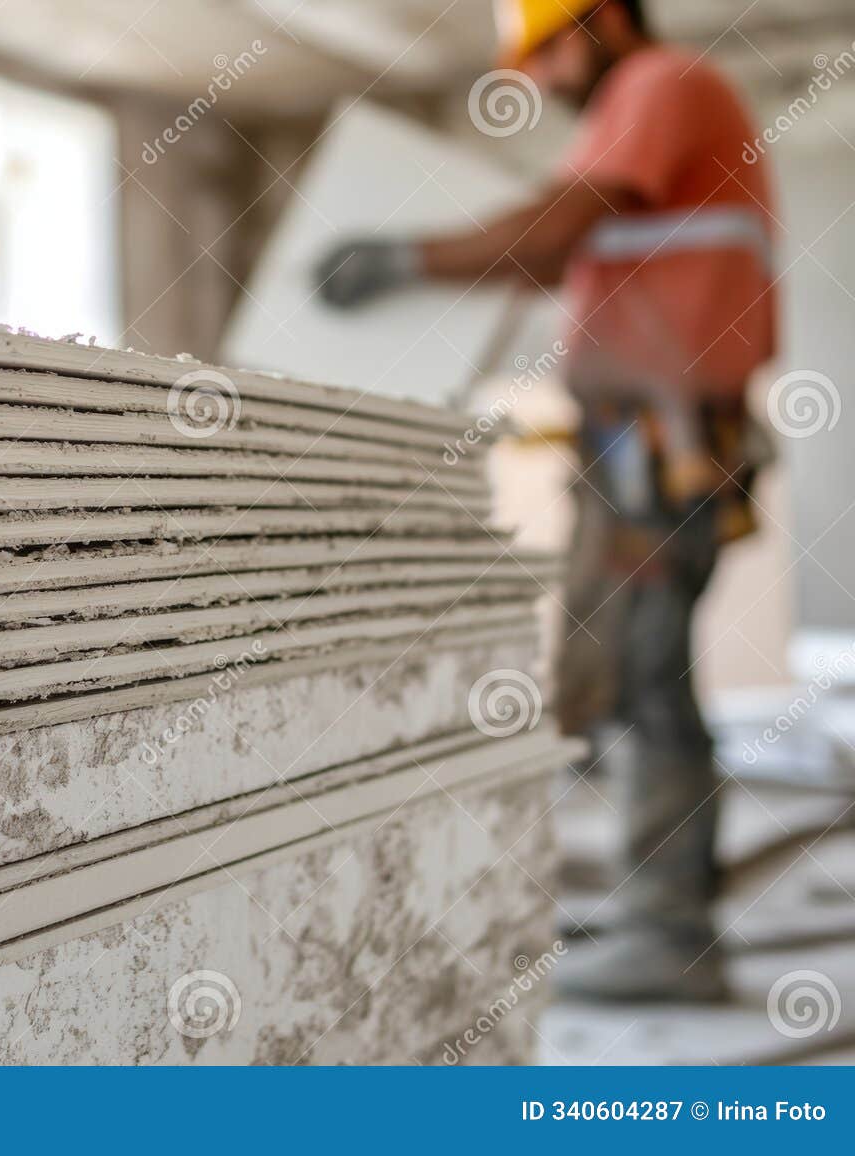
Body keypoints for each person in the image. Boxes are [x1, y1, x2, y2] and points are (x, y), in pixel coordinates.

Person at [316, 0, 777, 1001]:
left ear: (604, 19)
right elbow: (556, 247)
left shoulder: (660, 86)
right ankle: (652, 906)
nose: (549, 79)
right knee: (619, 678)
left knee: (650, 683)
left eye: (551, 51)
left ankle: (670, 933)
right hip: (640, 444)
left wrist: (405, 259)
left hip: (667, 444)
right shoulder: (648, 109)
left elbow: (555, 224)